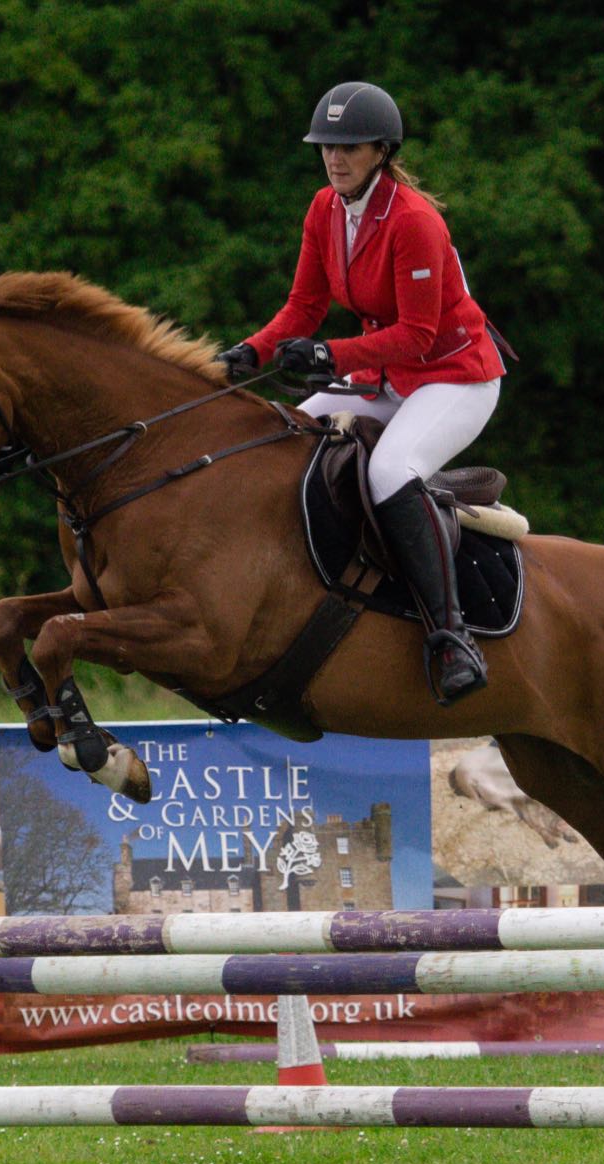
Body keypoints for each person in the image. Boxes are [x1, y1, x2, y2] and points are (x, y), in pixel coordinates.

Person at [217, 81, 506, 706]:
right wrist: (251, 350)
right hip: (389, 375)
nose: (334, 158)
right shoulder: (324, 208)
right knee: (279, 431)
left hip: (455, 377)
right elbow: (304, 305)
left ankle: (452, 637)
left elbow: (418, 334)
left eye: (348, 146)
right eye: (326, 146)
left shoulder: (414, 221)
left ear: (381, 149)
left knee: (390, 472)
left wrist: (331, 355)